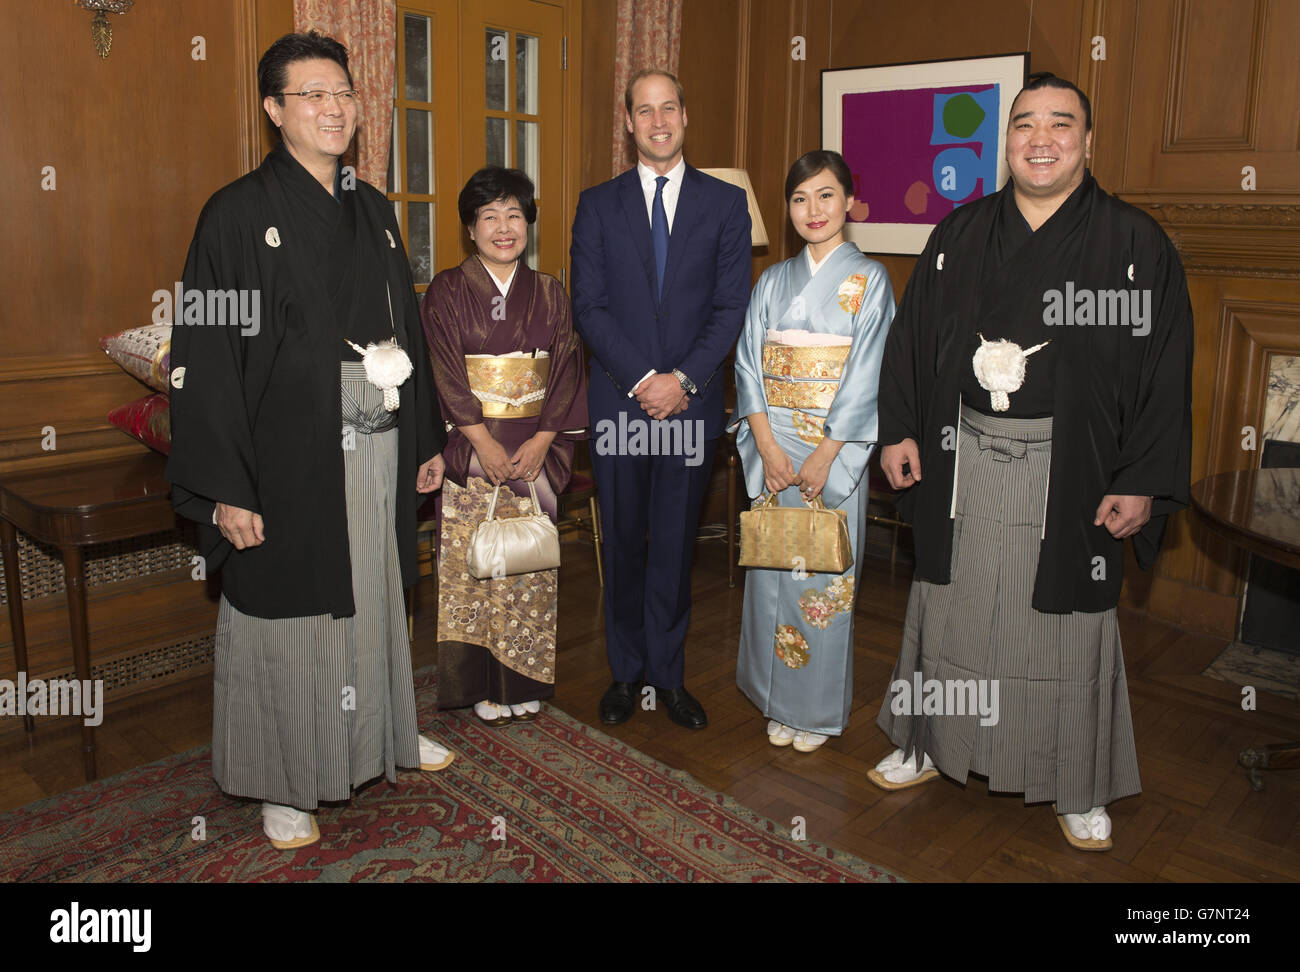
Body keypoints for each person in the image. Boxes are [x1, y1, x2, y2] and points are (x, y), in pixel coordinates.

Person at [871, 73, 1193, 851]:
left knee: (1061, 630)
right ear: (1004, 139)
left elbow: (1166, 371)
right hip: (964, 458)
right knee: (948, 612)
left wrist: (1142, 481)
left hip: (1072, 469)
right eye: (1024, 124)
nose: (1039, 138)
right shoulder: (961, 234)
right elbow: (911, 341)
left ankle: (1075, 784)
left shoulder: (1132, 244)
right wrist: (903, 429)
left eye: (1060, 124)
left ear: (1088, 140)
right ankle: (925, 743)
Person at [165, 31, 453, 851]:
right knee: (290, 618)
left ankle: (384, 738)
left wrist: (425, 434)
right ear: (273, 109)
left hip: (381, 440)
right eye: (312, 95)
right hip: (284, 455)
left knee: (373, 591)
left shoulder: (372, 205)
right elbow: (206, 358)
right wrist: (227, 486)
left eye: (343, 93)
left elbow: (410, 324)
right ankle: (284, 782)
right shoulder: (235, 213)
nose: (334, 108)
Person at [570, 69, 751, 730]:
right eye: (643, 111)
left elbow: (732, 308)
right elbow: (587, 307)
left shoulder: (726, 204)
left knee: (675, 544)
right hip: (620, 404)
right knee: (622, 540)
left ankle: (668, 677)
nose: (656, 121)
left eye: (667, 107)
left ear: (685, 115)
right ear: (628, 123)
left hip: (692, 407)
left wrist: (685, 381)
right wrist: (646, 379)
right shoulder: (597, 204)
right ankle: (626, 674)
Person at [733, 150, 894, 751]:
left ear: (849, 201)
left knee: (823, 583)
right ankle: (775, 698)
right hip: (776, 449)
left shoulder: (870, 281)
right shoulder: (773, 281)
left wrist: (826, 455)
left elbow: (868, 374)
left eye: (826, 196)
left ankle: (816, 710)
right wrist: (769, 449)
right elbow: (749, 365)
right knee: (772, 576)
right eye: (800, 199)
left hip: (831, 452)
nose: (813, 210)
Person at [421, 167, 588, 727]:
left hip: (534, 449)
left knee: (528, 567)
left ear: (529, 225)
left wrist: (544, 437)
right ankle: (477, 683)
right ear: (471, 228)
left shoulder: (550, 292)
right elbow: (442, 370)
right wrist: (480, 441)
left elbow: (566, 369)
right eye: (489, 216)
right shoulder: (447, 289)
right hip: (472, 447)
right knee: (475, 568)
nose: (503, 227)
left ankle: (524, 678)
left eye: (514, 215)